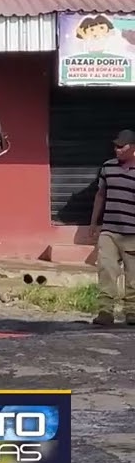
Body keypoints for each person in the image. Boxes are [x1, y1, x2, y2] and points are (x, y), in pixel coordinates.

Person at [87, 129, 135, 326]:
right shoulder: (108, 167)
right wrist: (93, 222)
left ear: (133, 147)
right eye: (115, 146)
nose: (117, 149)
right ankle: (105, 311)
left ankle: (132, 312)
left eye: (121, 146)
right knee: (106, 269)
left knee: (133, 276)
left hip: (132, 232)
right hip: (109, 230)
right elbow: (100, 195)